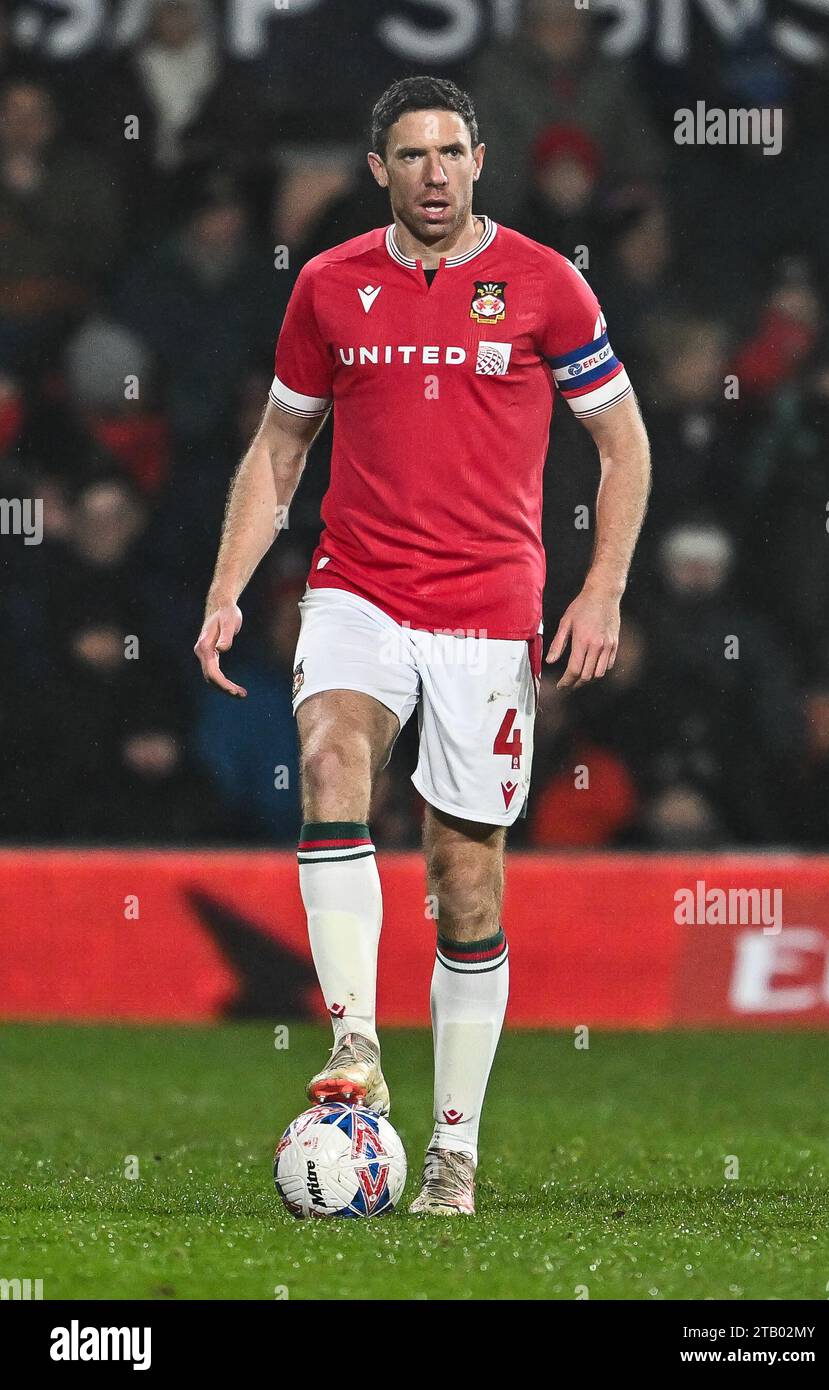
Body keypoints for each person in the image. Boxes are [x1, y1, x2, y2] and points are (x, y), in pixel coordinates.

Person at [194, 77, 651, 1215]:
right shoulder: (329, 286)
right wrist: (225, 590)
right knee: (334, 759)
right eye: (411, 155)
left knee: (466, 882)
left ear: (480, 160)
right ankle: (354, 1039)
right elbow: (278, 448)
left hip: (490, 612)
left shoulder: (547, 286)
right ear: (378, 169)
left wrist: (600, 589)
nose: (433, 172)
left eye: (451, 151)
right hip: (358, 589)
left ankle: (452, 1147)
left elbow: (625, 447)